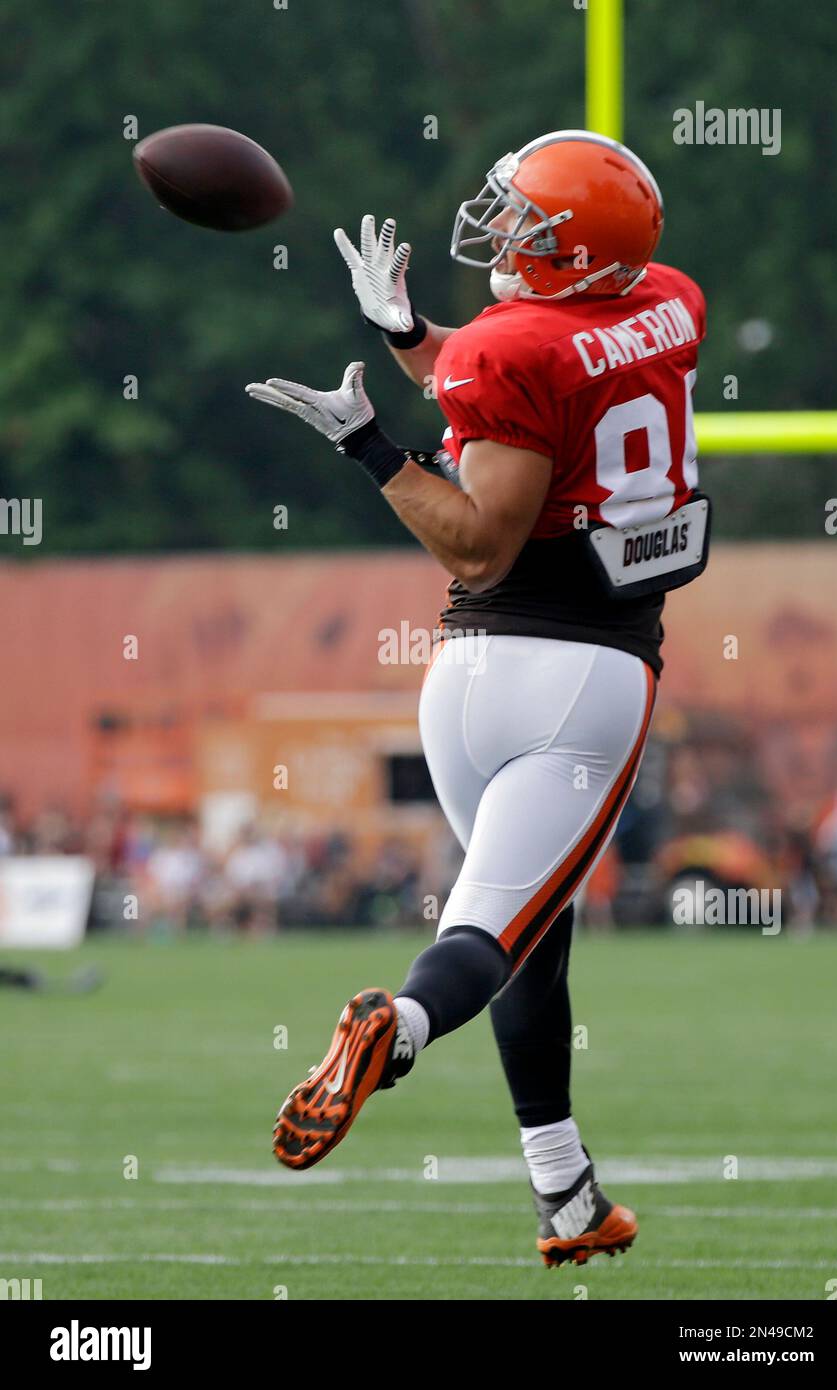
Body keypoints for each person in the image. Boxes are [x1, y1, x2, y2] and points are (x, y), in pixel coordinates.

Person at [246, 129, 709, 1267]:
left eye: (525, 224)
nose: (499, 233)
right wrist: (408, 363)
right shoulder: (670, 303)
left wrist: (374, 440)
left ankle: (567, 1198)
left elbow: (485, 524)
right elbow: (527, 429)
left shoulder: (510, 350)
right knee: (491, 935)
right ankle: (394, 1027)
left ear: (573, 253)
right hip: (585, 679)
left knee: (525, 936)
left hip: (467, 678)